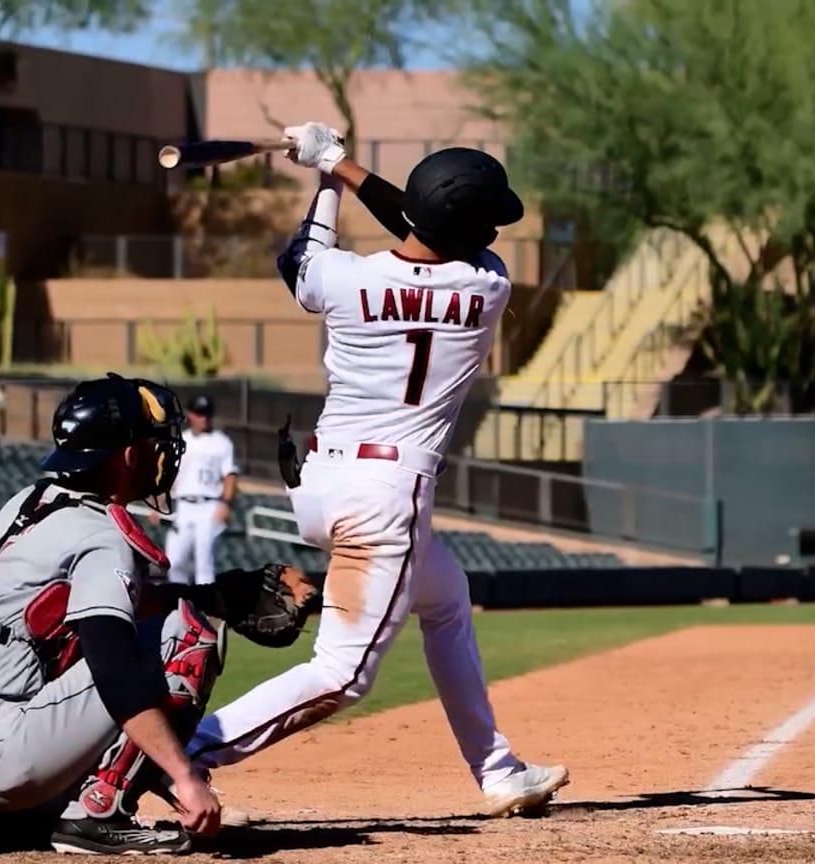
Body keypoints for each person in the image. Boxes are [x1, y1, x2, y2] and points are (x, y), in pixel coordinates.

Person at [184, 124, 569, 817]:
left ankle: (498, 769)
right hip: (386, 498)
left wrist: (326, 181)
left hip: (322, 482)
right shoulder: (486, 285)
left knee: (445, 598)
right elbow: (425, 224)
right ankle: (180, 758)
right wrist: (342, 164)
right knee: (342, 674)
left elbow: (303, 259)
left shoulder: (344, 279)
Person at [0, 374, 225, 856]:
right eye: (154, 442)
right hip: (5, 766)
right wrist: (183, 774)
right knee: (188, 631)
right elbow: (113, 667)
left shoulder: (29, 503)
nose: (163, 453)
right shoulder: (102, 534)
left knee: (98, 635)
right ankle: (99, 814)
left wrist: (228, 592)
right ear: (128, 455)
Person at [161, 395, 239, 587]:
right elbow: (171, 474)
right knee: (174, 560)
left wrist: (226, 504)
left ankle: (206, 608)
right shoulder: (181, 440)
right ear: (190, 415)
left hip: (209, 504)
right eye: (199, 414)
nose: (204, 418)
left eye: (207, 414)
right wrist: (160, 503)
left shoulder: (221, 442)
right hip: (184, 506)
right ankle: (180, 599)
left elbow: (230, 475)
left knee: (204, 563)